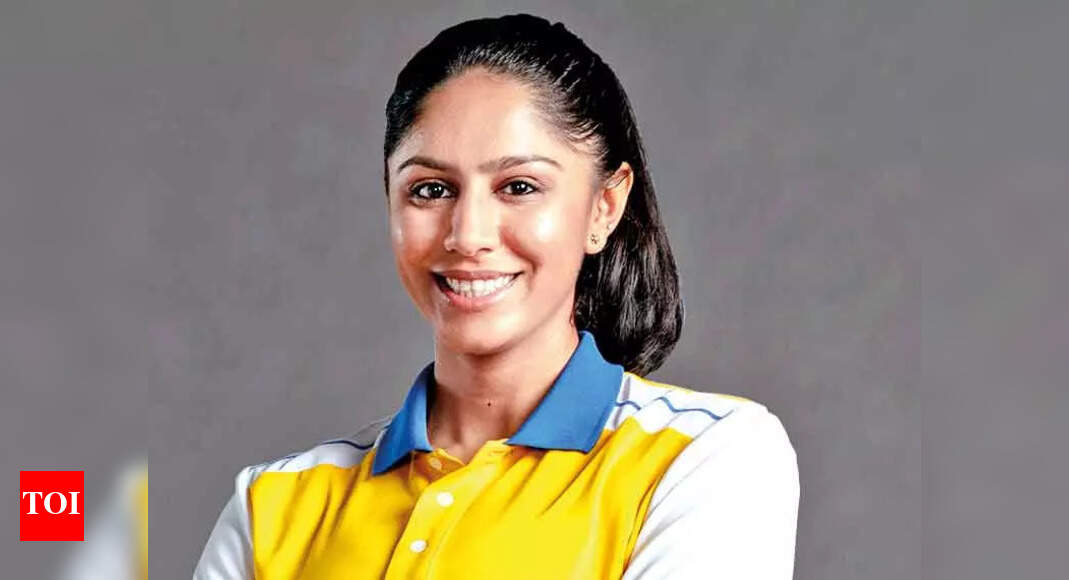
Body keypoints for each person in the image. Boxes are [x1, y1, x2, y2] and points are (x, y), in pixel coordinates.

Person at [194, 13, 799, 579]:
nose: (467, 235)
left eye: (519, 186)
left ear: (604, 206)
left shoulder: (708, 456)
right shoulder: (272, 502)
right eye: (431, 189)